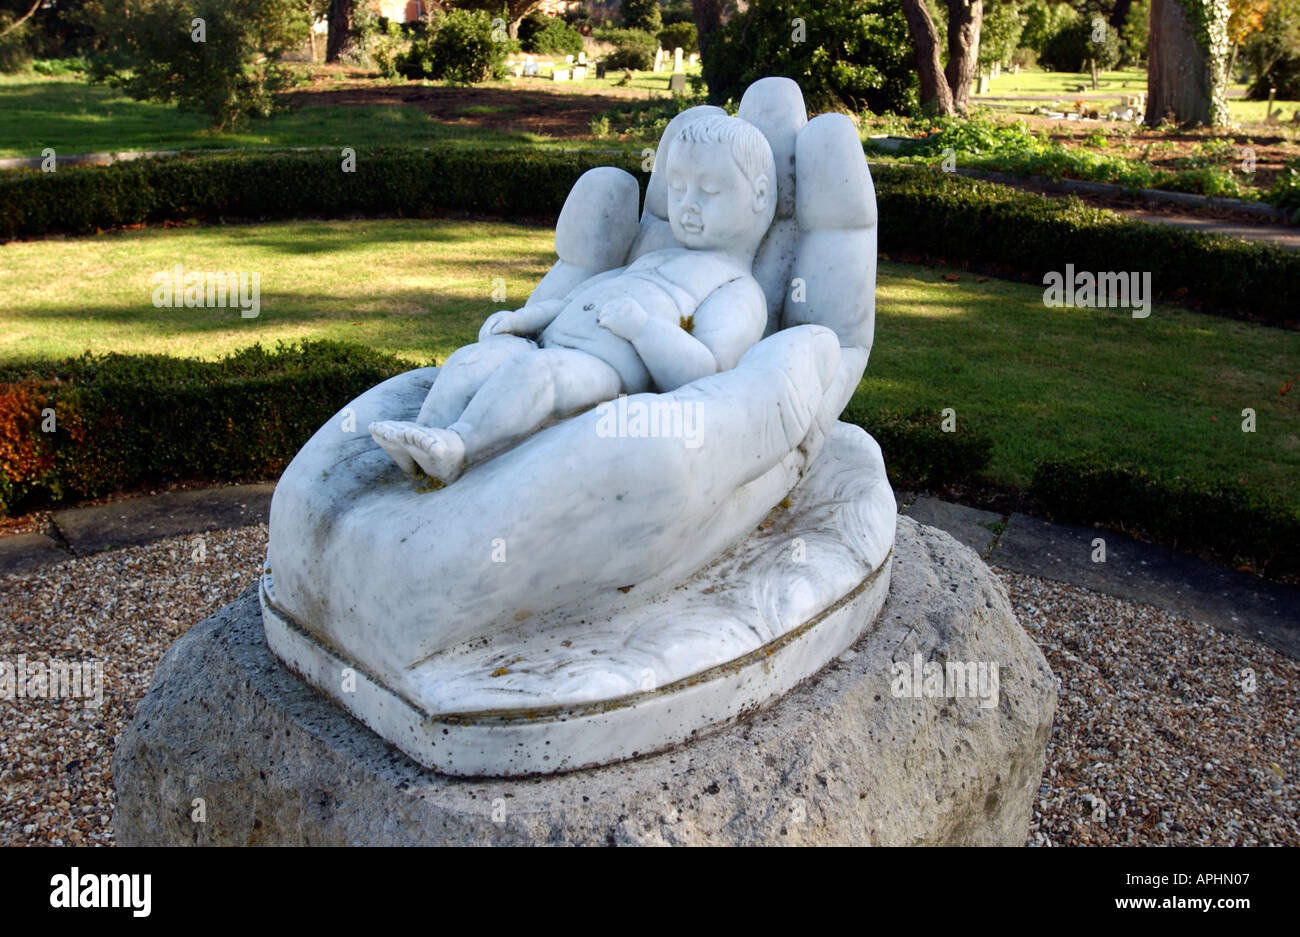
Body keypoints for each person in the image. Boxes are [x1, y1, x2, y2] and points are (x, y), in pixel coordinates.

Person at [369, 114, 777, 483]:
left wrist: (643, 329)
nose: (687, 204)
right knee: (473, 359)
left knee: (538, 373)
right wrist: (524, 319)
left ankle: (460, 444)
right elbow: (576, 299)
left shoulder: (737, 289)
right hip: (546, 340)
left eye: (708, 190)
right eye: (678, 187)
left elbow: (706, 374)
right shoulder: (656, 257)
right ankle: (422, 433)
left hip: (602, 371)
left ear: (758, 196)